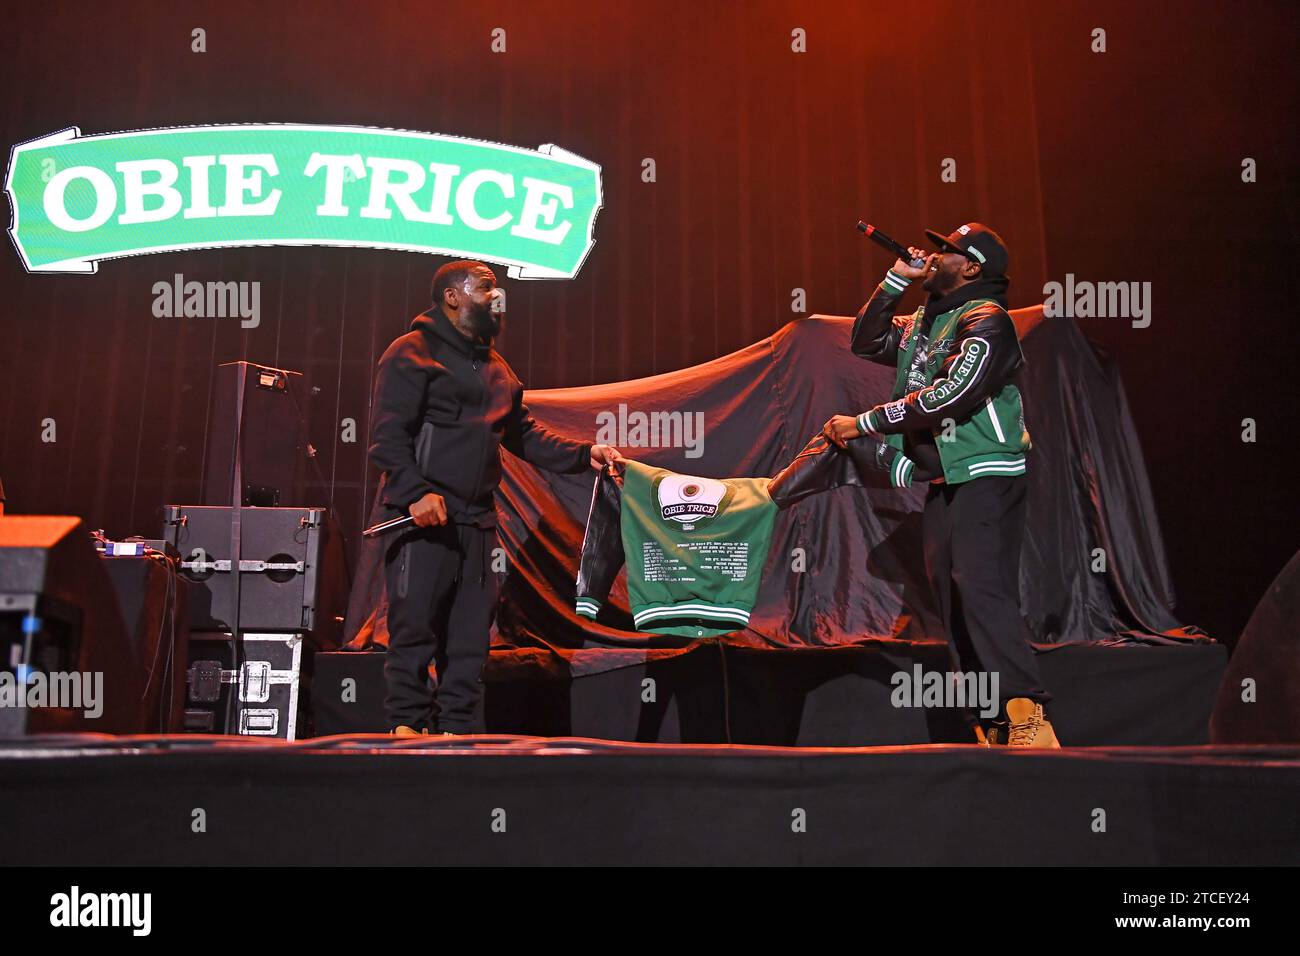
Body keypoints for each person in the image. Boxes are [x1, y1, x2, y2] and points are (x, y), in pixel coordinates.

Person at [823, 223, 1059, 748]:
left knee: (980, 586)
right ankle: (991, 717)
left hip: (988, 470)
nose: (931, 254)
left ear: (971, 267)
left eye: (945, 250)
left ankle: (1028, 714)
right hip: (946, 476)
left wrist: (865, 423)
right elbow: (866, 341)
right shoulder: (927, 321)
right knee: (952, 597)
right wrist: (894, 280)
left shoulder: (987, 319)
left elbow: (955, 394)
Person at [369, 260, 622, 736]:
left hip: (475, 522)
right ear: (451, 296)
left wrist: (585, 453)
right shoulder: (410, 353)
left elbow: (522, 434)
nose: (497, 295)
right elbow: (387, 437)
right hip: (421, 519)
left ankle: (456, 733)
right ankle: (407, 727)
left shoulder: (494, 367)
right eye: (485, 287)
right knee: (415, 628)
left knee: (468, 641)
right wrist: (415, 494)